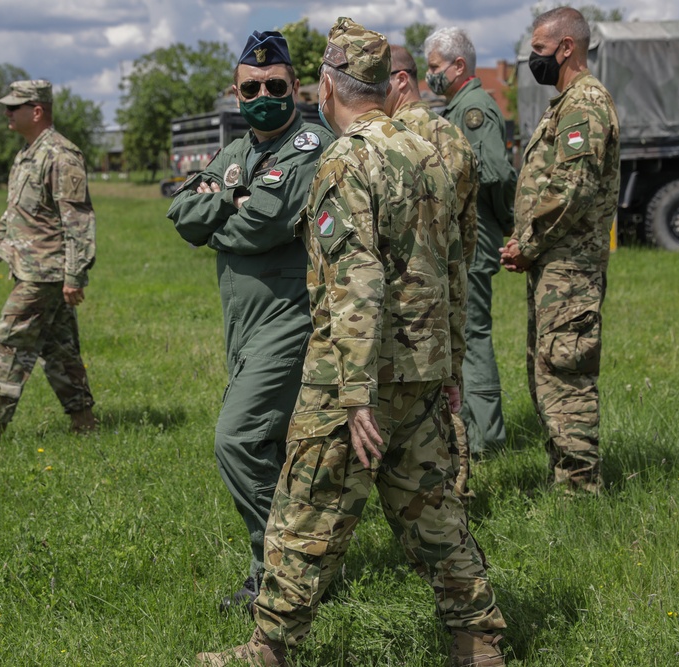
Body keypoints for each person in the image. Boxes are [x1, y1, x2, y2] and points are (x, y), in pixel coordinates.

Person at [197, 18, 506, 667]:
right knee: (432, 513)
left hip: (352, 375)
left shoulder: (344, 158)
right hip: (422, 369)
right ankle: (478, 640)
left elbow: (358, 275)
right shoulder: (432, 151)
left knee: (305, 507)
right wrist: (450, 362)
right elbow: (457, 261)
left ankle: (269, 647)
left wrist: (356, 392)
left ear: (327, 88)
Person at [166, 31, 334, 613]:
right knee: (281, 447)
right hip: (243, 324)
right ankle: (304, 563)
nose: (264, 93)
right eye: (252, 86)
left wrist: (222, 211)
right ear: (237, 94)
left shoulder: (310, 142)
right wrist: (221, 205)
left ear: (295, 87)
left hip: (288, 319)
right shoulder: (237, 152)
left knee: (236, 439)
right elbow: (181, 213)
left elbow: (264, 221)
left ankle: (281, 573)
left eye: (275, 84)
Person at [500, 7, 621, 494]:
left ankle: (579, 493)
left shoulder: (584, 105)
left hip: (569, 270)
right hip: (556, 268)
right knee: (549, 373)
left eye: (538, 50)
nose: (533, 59)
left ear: (566, 47)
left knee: (565, 378)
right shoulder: (566, 103)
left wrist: (526, 244)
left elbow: (571, 190)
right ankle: (566, 480)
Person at [0, 80, 97, 442]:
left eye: (14, 107)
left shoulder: (62, 156)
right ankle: (84, 422)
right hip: (27, 267)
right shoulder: (27, 154)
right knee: (60, 350)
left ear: (38, 110)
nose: (7, 113)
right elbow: (13, 216)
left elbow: (78, 221)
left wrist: (75, 275)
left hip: (44, 273)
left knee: (7, 345)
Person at [383, 44, 479, 495]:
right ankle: (454, 492)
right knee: (446, 394)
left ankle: (445, 500)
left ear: (402, 80)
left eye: (376, 80)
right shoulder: (453, 136)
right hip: (449, 292)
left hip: (406, 298)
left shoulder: (392, 139)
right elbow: (465, 235)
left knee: (419, 404)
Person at [426, 27, 518, 457]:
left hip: (477, 235)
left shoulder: (474, 109)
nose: (431, 77)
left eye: (434, 67)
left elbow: (497, 174)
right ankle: (474, 429)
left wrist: (504, 220)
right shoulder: (460, 107)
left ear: (458, 65)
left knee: (473, 332)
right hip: (468, 234)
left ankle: (486, 437)